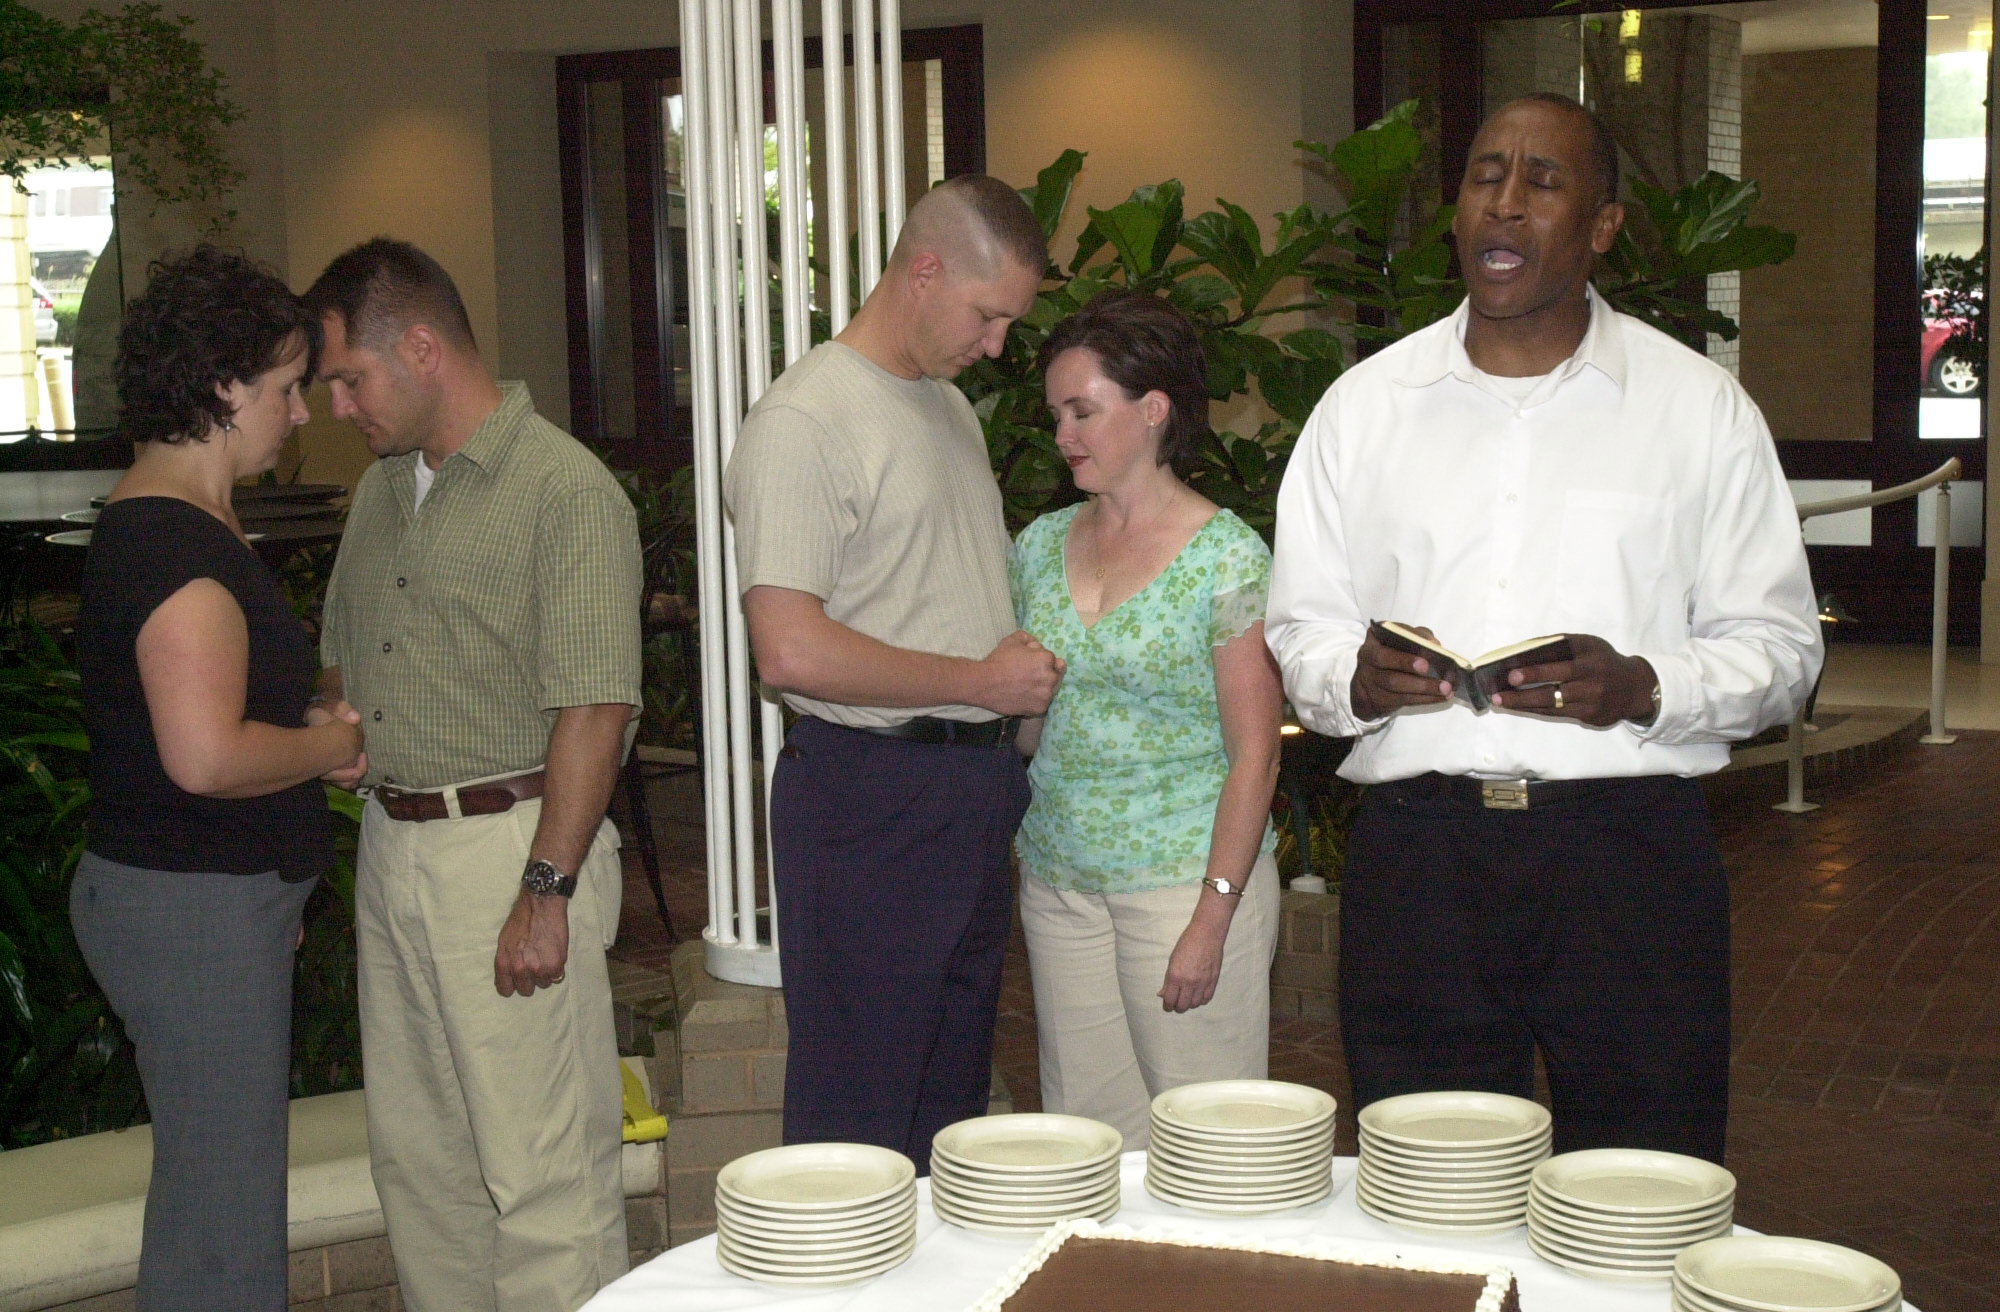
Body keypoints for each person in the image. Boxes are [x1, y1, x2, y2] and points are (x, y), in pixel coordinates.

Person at [1266, 93, 1822, 1164]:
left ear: (1601, 227)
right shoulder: (1363, 409)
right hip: (1418, 858)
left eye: (1541, 181)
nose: (1503, 205)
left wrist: (1644, 685)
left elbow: (1781, 650)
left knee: (1642, 1173)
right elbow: (1302, 631)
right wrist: (1357, 679)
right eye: (1484, 176)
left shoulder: (1695, 410)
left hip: (1624, 856)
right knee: (1426, 1177)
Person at [307, 238, 642, 1312]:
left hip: (515, 843)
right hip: (394, 847)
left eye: (349, 380)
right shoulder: (378, 496)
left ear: (419, 347)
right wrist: (333, 719)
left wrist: (542, 891)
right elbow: (343, 659)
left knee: (542, 1175)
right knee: (424, 1168)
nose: (337, 407)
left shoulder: (565, 491)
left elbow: (595, 706)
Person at [726, 176, 1062, 1171]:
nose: (999, 343)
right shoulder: (807, 416)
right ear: (922, 272)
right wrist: (977, 681)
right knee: (858, 1114)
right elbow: (785, 648)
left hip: (965, 789)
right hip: (871, 796)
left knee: (946, 1104)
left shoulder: (946, 406)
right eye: (988, 313)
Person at [72, 245, 365, 1311]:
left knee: (210, 1198)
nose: (300, 413)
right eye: (287, 388)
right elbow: (205, 757)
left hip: (194, 900)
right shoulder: (178, 550)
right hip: (187, 907)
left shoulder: (167, 520)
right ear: (222, 386)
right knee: (225, 1221)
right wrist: (333, 744)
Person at [1011, 290, 1284, 1149]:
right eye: (1056, 412)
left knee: (1211, 1140)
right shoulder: (1037, 544)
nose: (1063, 434)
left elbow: (1256, 757)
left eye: (1083, 410)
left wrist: (1214, 917)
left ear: (1154, 410)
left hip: (1183, 883)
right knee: (1089, 1141)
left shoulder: (1228, 555)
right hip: (1059, 885)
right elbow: (1032, 727)